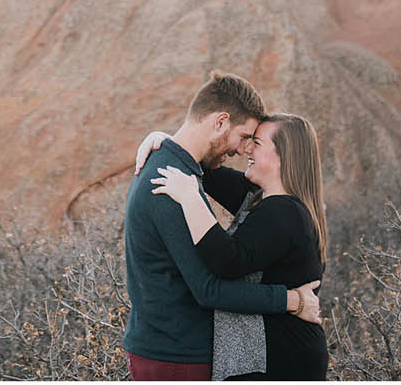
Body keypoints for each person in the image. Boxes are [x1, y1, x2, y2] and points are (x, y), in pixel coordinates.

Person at [124, 73, 321, 382]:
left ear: (285, 158)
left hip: (281, 358)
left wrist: (186, 186)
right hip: (178, 354)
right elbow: (201, 164)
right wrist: (164, 139)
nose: (246, 151)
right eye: (247, 138)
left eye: (256, 143)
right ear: (220, 122)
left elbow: (226, 260)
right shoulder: (247, 195)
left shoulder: (284, 211)